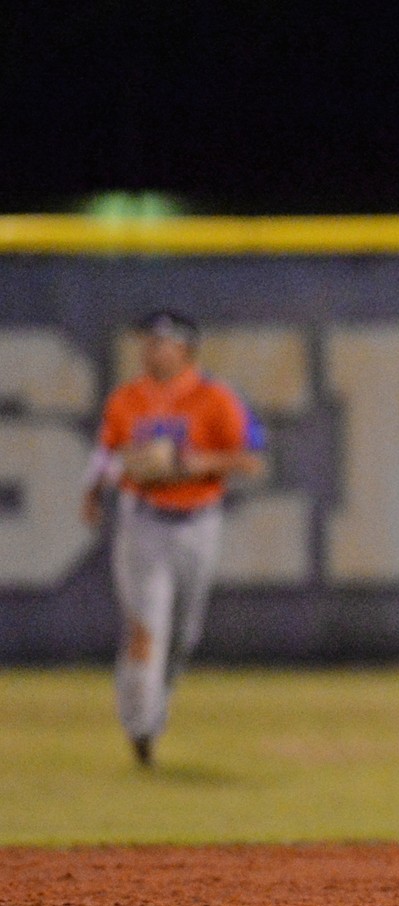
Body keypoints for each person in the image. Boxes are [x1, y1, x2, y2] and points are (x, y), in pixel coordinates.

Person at [80, 311, 264, 766]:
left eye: (161, 342)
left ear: (185, 350)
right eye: (147, 341)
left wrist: (189, 464)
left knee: (183, 634)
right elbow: (106, 454)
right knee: (147, 630)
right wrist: (94, 491)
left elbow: (252, 461)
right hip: (142, 521)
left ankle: (150, 712)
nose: (150, 350)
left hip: (199, 523)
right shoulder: (127, 399)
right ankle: (140, 727)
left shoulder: (216, 397)